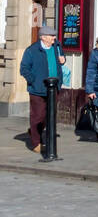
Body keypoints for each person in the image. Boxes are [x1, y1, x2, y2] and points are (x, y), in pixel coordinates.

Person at [19, 24, 67, 153]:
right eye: (52, 36)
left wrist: (63, 59)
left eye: (54, 35)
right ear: (43, 37)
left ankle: (34, 131)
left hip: (54, 87)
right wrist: (33, 81)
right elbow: (24, 68)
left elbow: (61, 59)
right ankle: (36, 143)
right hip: (38, 89)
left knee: (49, 116)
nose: (54, 38)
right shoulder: (32, 50)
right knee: (37, 116)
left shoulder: (56, 46)